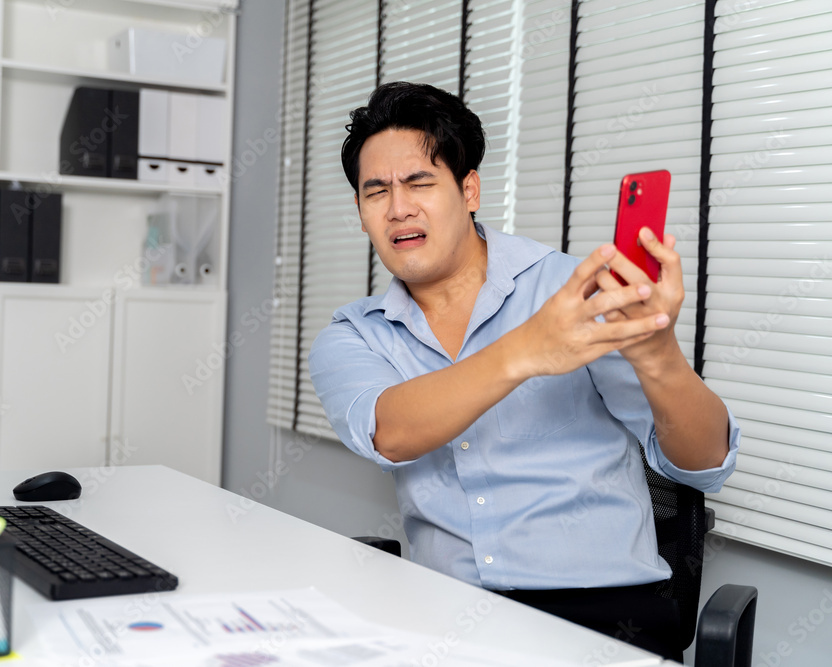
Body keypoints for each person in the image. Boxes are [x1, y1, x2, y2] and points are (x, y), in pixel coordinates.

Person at [308, 82, 739, 660]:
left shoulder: (574, 291)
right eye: (375, 191)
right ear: (361, 214)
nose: (398, 208)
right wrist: (528, 350)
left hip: (605, 614)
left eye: (419, 183)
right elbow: (389, 431)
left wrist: (660, 355)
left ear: (469, 189)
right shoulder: (353, 335)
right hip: (442, 613)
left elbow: (704, 463)